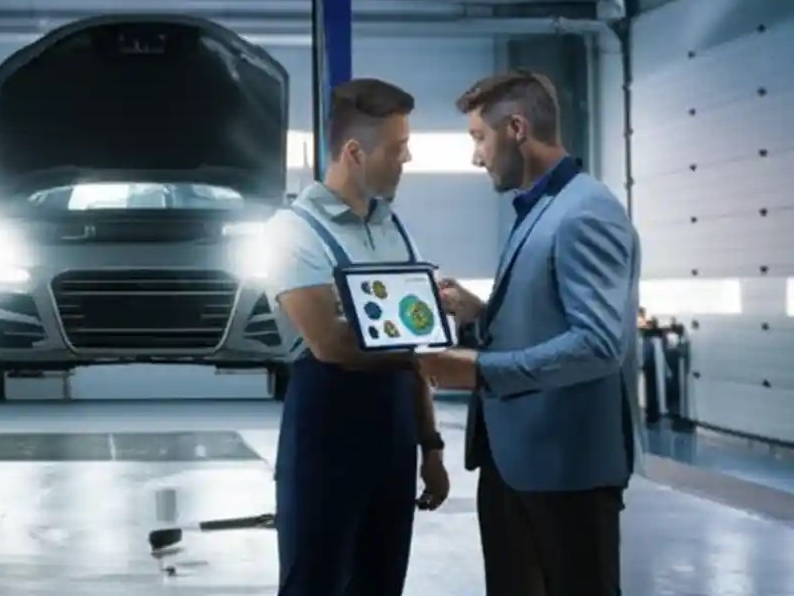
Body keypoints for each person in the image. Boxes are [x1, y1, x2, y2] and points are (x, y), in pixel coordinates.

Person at [417, 70, 642, 596]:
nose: (476, 158)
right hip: (512, 462)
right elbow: (551, 315)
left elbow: (599, 345)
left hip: (566, 472)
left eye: (479, 138)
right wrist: (482, 313)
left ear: (516, 128)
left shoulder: (587, 212)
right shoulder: (539, 206)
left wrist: (479, 371)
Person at [266, 77, 450, 596]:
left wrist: (430, 446)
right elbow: (331, 344)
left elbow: (412, 348)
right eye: (397, 148)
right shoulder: (293, 231)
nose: (407, 159)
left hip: (394, 442)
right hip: (326, 443)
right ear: (354, 152)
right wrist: (429, 355)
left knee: (382, 584)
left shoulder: (394, 229)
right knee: (314, 583)